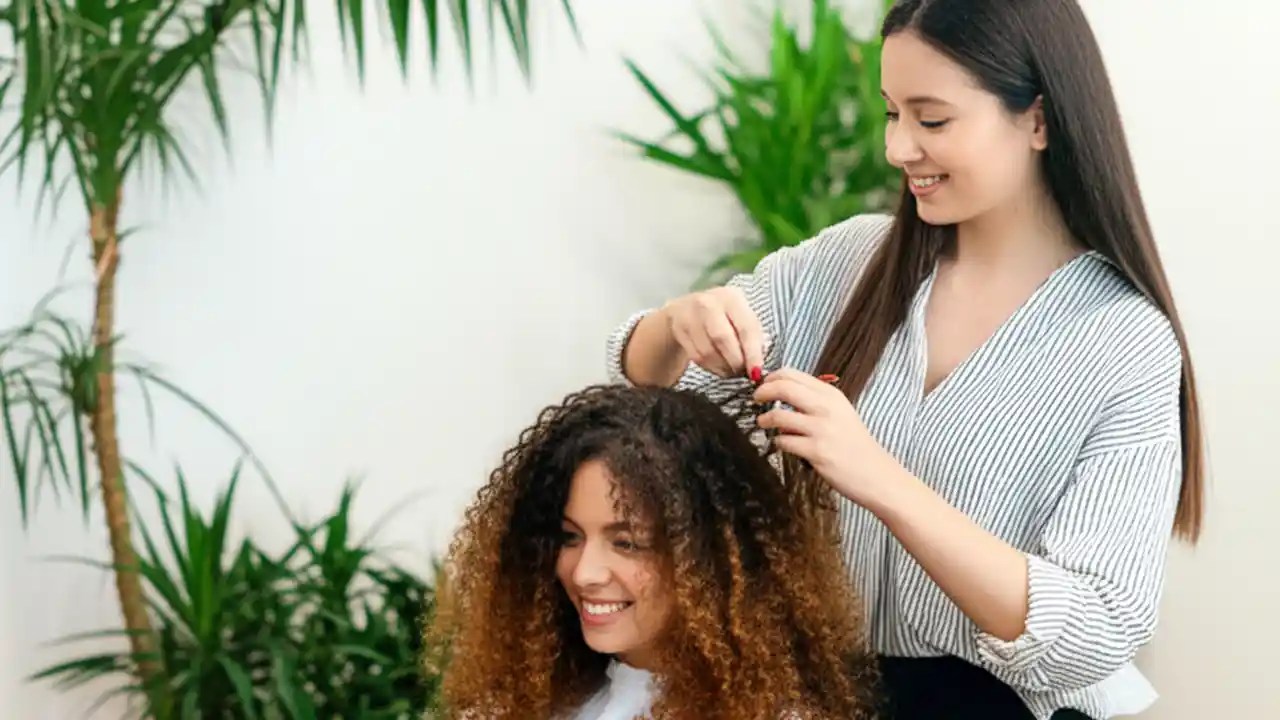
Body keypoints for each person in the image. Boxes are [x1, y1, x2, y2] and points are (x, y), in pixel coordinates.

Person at [604, 1, 1203, 718]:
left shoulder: (1124, 340)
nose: (897, 147)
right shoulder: (846, 262)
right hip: (827, 697)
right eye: (892, 113)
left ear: (1038, 120)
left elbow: (1097, 628)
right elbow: (651, 394)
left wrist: (878, 477)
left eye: (932, 120)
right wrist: (677, 324)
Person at [427, 383, 881, 719]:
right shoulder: (515, 707)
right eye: (569, 537)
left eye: (626, 543)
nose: (585, 573)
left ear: (711, 560)